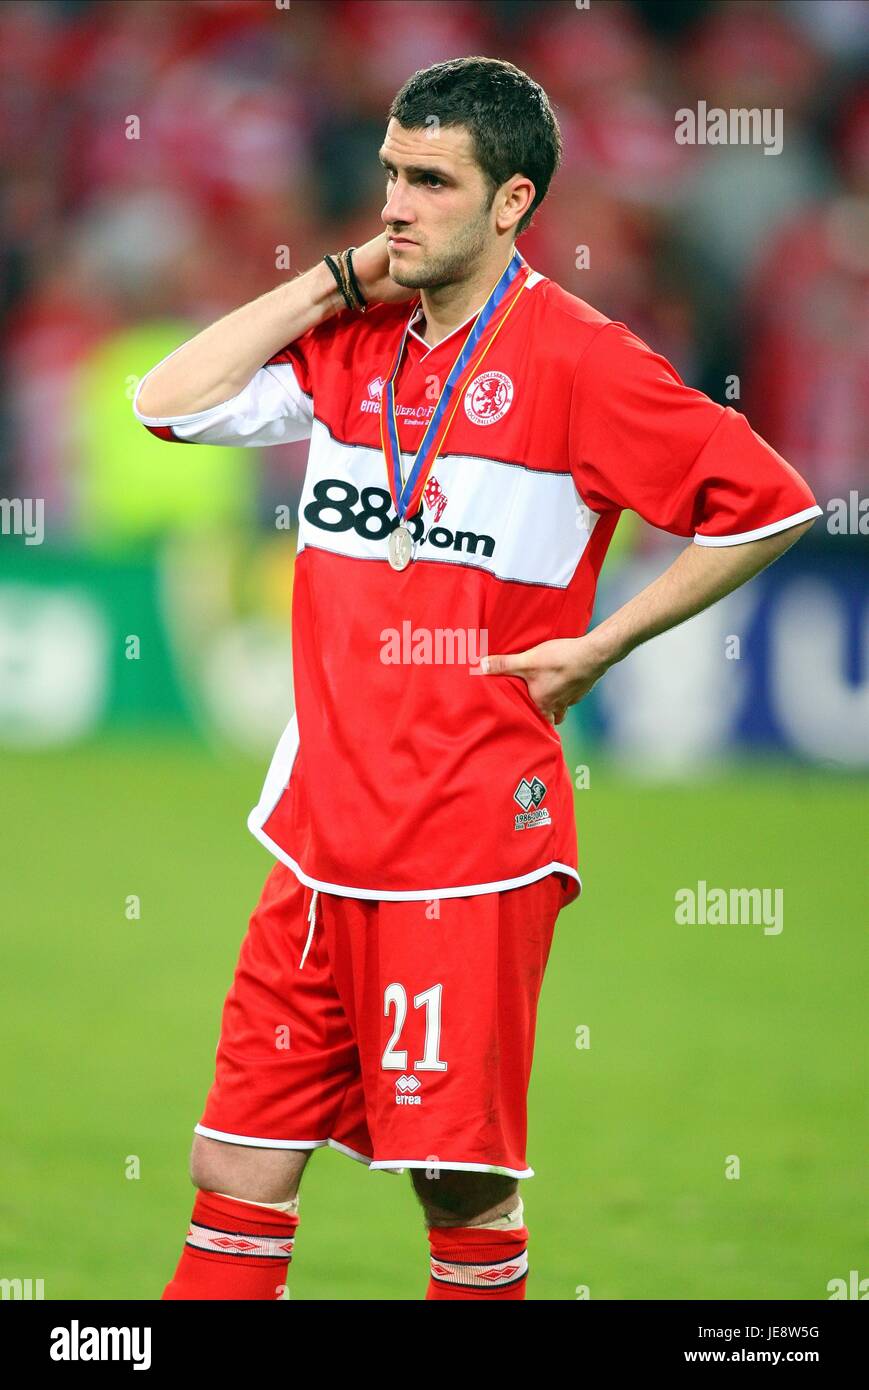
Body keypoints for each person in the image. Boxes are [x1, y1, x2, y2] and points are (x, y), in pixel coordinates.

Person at [133, 57, 822, 1301]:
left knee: (453, 1180)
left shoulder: (582, 362)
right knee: (233, 1165)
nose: (395, 201)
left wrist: (606, 640)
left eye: (430, 181)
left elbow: (770, 505)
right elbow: (163, 403)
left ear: (510, 202)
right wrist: (335, 277)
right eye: (390, 172)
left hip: (467, 843)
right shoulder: (352, 340)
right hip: (314, 838)